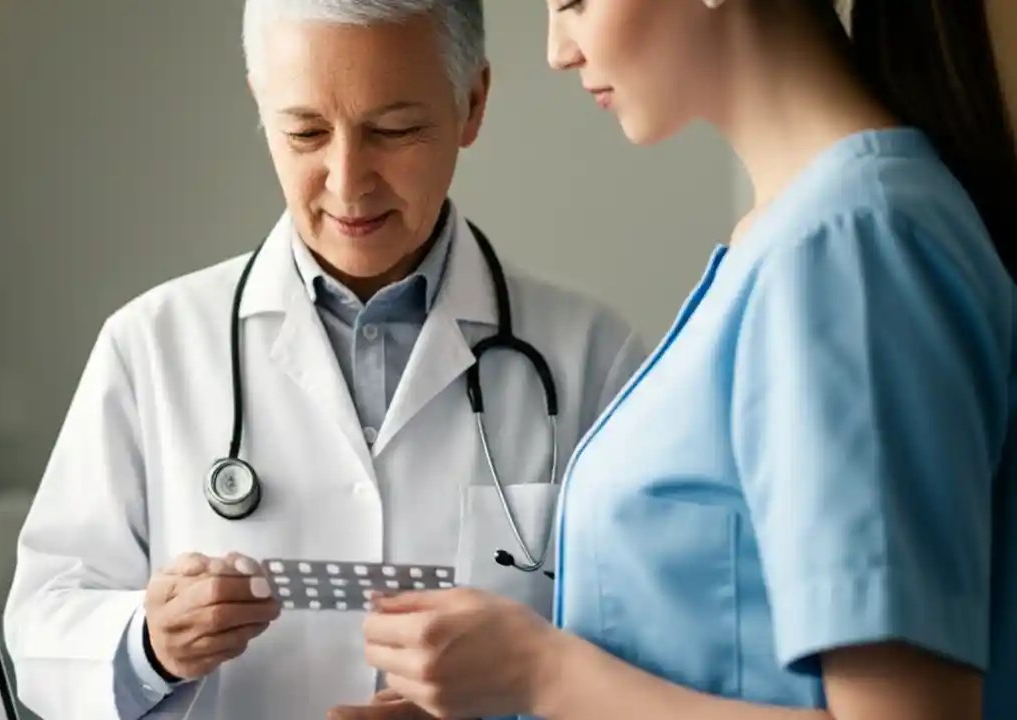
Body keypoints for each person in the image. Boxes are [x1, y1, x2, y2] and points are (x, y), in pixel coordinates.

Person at [353, 0, 1017, 719]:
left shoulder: (850, 248)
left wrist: (540, 674)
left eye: (573, 2)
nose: (556, 51)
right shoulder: (793, 239)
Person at [3, 1, 645, 718]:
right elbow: (42, 628)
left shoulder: (589, 357)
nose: (348, 181)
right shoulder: (151, 345)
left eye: (394, 130)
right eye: (305, 131)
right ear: (260, 101)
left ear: (472, 104)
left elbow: (652, 652)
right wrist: (149, 644)